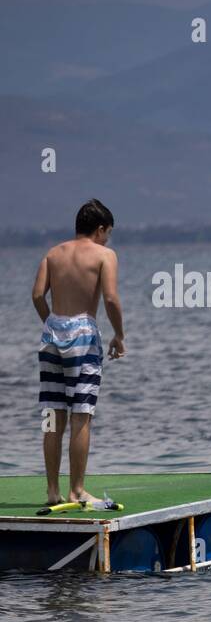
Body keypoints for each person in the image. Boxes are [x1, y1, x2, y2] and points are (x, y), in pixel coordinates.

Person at [30, 199, 126, 506]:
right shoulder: (104, 255)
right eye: (107, 233)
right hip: (83, 335)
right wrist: (119, 335)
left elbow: (36, 295)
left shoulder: (53, 253)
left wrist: (53, 324)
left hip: (51, 335)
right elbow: (110, 299)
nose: (107, 239)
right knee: (81, 416)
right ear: (100, 230)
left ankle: (51, 492)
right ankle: (77, 490)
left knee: (52, 416)